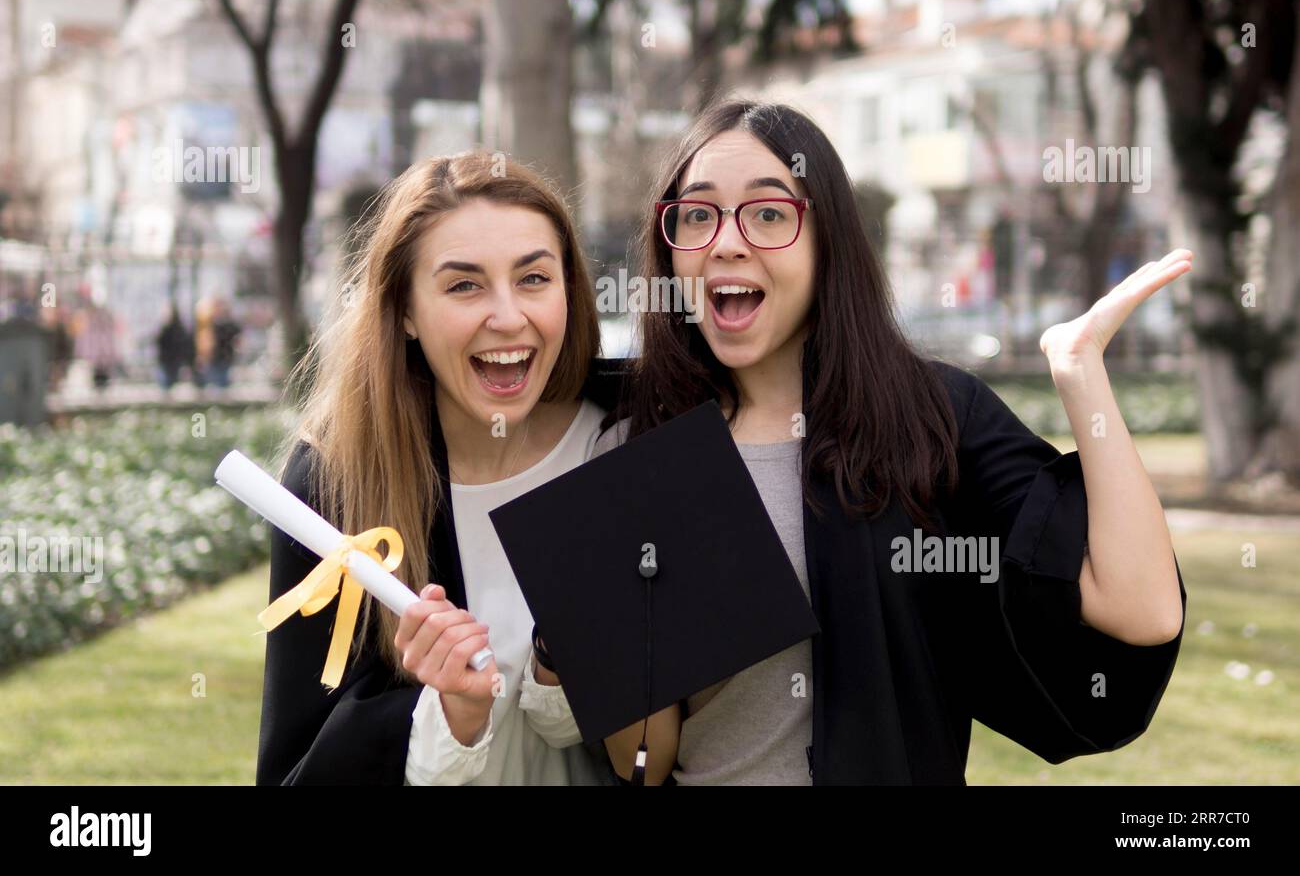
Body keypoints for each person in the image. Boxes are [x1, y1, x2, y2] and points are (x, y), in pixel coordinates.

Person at [596, 100, 1188, 785]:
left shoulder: (931, 418)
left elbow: (1142, 609)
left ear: (828, 241)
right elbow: (643, 761)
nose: (727, 241)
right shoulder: (642, 452)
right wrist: (589, 631)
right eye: (698, 215)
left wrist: (1082, 376)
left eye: (768, 213)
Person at [256, 151, 620, 786]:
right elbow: (299, 773)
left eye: (534, 278)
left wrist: (565, 660)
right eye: (463, 285)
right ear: (403, 311)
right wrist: (450, 715)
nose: (508, 316)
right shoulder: (335, 489)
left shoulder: (627, 441)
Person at [156, 305, 194, 390]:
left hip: (173, 361)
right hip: (167, 360)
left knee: (170, 383)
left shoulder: (178, 329)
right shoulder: (165, 328)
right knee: (166, 384)